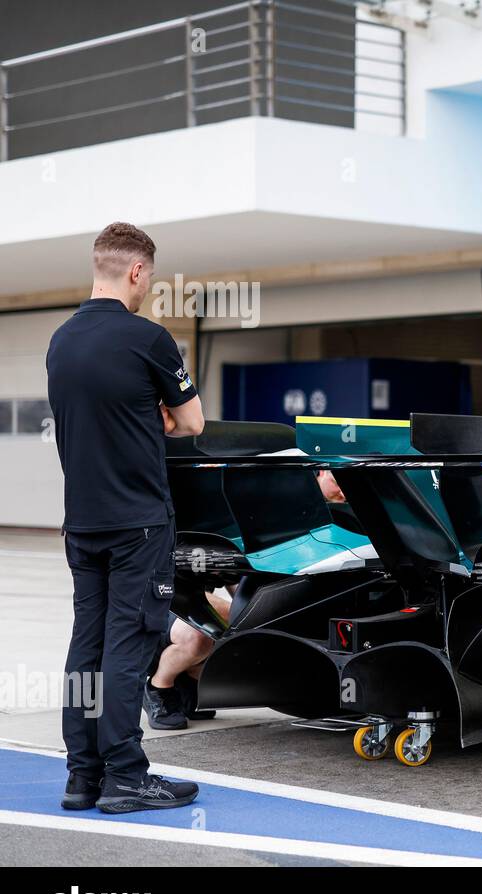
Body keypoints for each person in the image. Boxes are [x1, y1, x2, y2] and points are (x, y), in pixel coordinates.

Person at [46, 222, 206, 813]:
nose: (148, 289)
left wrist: (139, 414)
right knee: (130, 642)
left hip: (81, 523)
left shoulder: (60, 341)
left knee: (85, 644)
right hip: (138, 522)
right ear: (136, 271)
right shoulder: (149, 339)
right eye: (150, 278)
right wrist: (153, 415)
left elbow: (92, 416)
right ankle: (127, 775)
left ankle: (82, 775)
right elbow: (193, 424)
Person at [144, 470, 347, 729]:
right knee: (201, 636)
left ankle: (190, 675)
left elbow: (235, 575)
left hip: (188, 590)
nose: (342, 492)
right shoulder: (202, 497)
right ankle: (158, 686)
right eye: (337, 481)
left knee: (238, 628)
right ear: (318, 473)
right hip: (157, 593)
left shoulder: (308, 520)